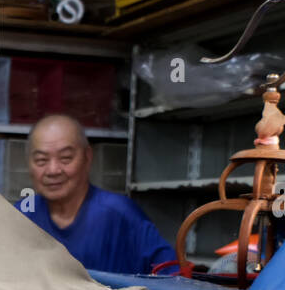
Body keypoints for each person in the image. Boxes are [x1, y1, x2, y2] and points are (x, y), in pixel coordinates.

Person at [13, 114, 177, 275]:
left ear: (87, 157)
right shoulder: (21, 216)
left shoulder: (120, 214)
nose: (53, 170)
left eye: (65, 158)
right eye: (41, 160)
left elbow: (173, 279)